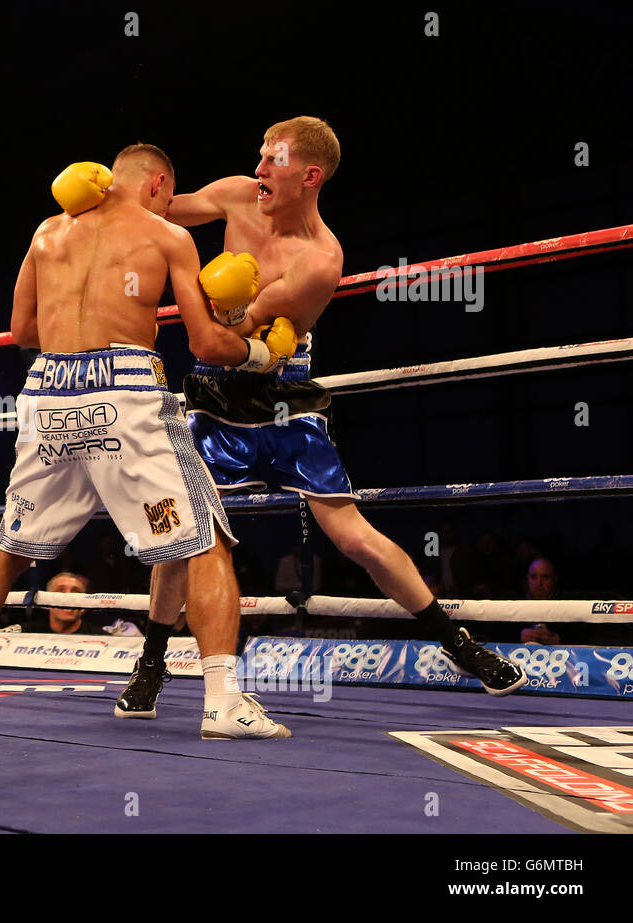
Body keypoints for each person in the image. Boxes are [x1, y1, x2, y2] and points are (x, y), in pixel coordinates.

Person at [0, 145, 297, 738]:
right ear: (158, 183)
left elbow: (22, 330)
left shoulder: (48, 231)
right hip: (125, 395)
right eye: (169, 193)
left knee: (12, 543)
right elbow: (207, 345)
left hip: (47, 396)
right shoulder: (168, 236)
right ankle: (223, 703)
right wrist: (263, 353)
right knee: (204, 539)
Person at [162, 116, 523, 696]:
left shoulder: (320, 260)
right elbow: (160, 212)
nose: (259, 168)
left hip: (282, 390)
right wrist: (117, 193)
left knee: (352, 536)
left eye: (272, 160)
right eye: (260, 155)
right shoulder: (236, 194)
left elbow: (235, 332)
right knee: (186, 528)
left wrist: (222, 308)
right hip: (215, 391)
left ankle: (459, 644)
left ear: (309, 175)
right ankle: (151, 663)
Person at [17, 572, 102, 634]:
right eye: (60, 591)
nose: (68, 596)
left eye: (75, 591)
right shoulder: (23, 633)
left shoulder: (101, 638)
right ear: (46, 601)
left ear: (84, 606)